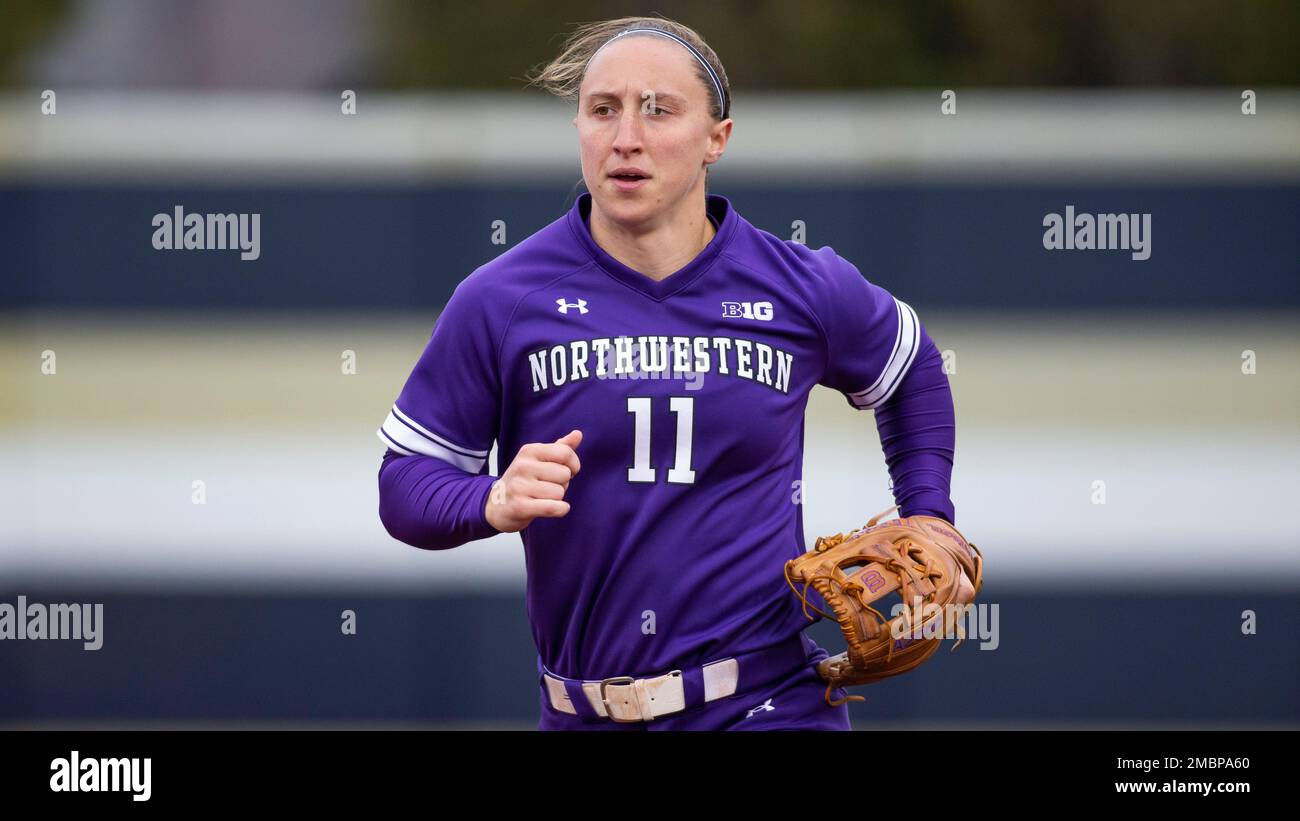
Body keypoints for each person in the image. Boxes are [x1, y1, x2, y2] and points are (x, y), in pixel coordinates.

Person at [376, 15, 956, 731]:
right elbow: (403, 486)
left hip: (767, 704)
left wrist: (927, 510)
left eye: (659, 110)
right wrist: (490, 498)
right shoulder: (502, 300)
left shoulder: (802, 287)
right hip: (582, 711)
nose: (627, 137)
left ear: (718, 138)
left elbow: (912, 366)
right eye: (603, 109)